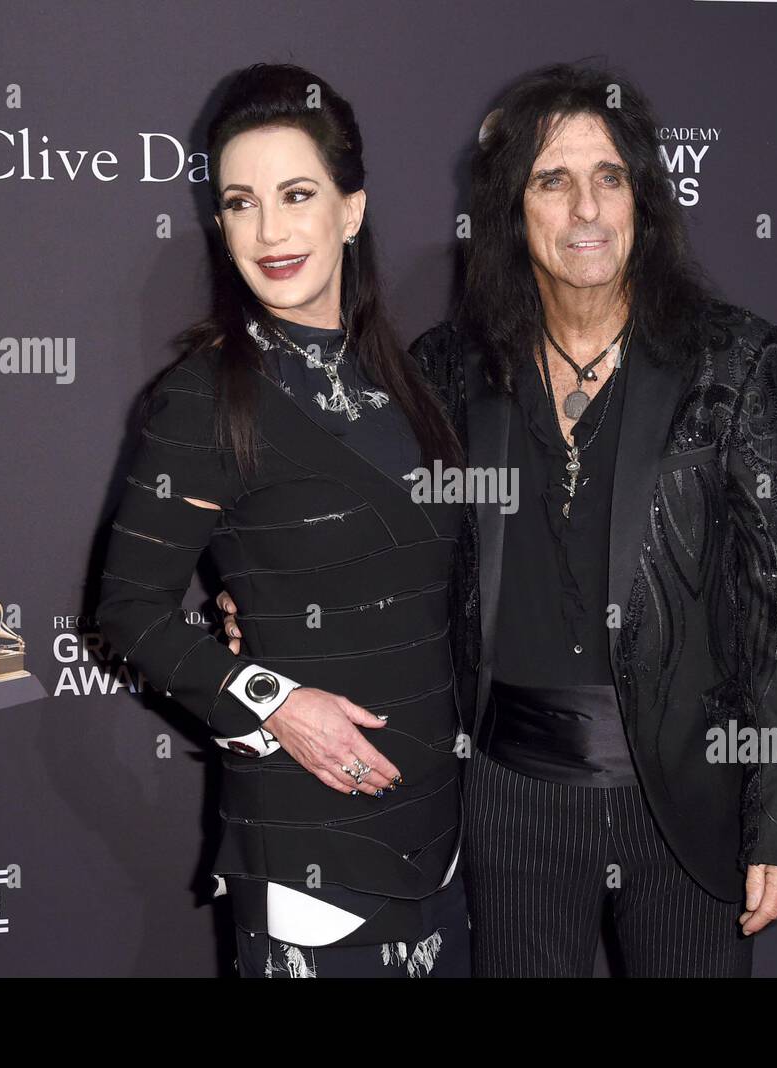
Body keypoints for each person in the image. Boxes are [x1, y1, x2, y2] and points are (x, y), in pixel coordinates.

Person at [406, 63, 777, 977]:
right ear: (512, 209)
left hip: (684, 792)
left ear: (644, 198)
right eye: (552, 181)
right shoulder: (448, 367)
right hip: (509, 791)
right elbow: (397, 553)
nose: (586, 211)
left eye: (610, 177)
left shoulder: (734, 358)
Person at [95, 63, 469, 978]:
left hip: (443, 833)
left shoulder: (408, 384)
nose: (269, 231)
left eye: (296, 195)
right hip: (306, 840)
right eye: (240, 203)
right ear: (218, 226)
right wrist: (273, 703)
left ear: (351, 209)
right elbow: (127, 614)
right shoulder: (202, 399)